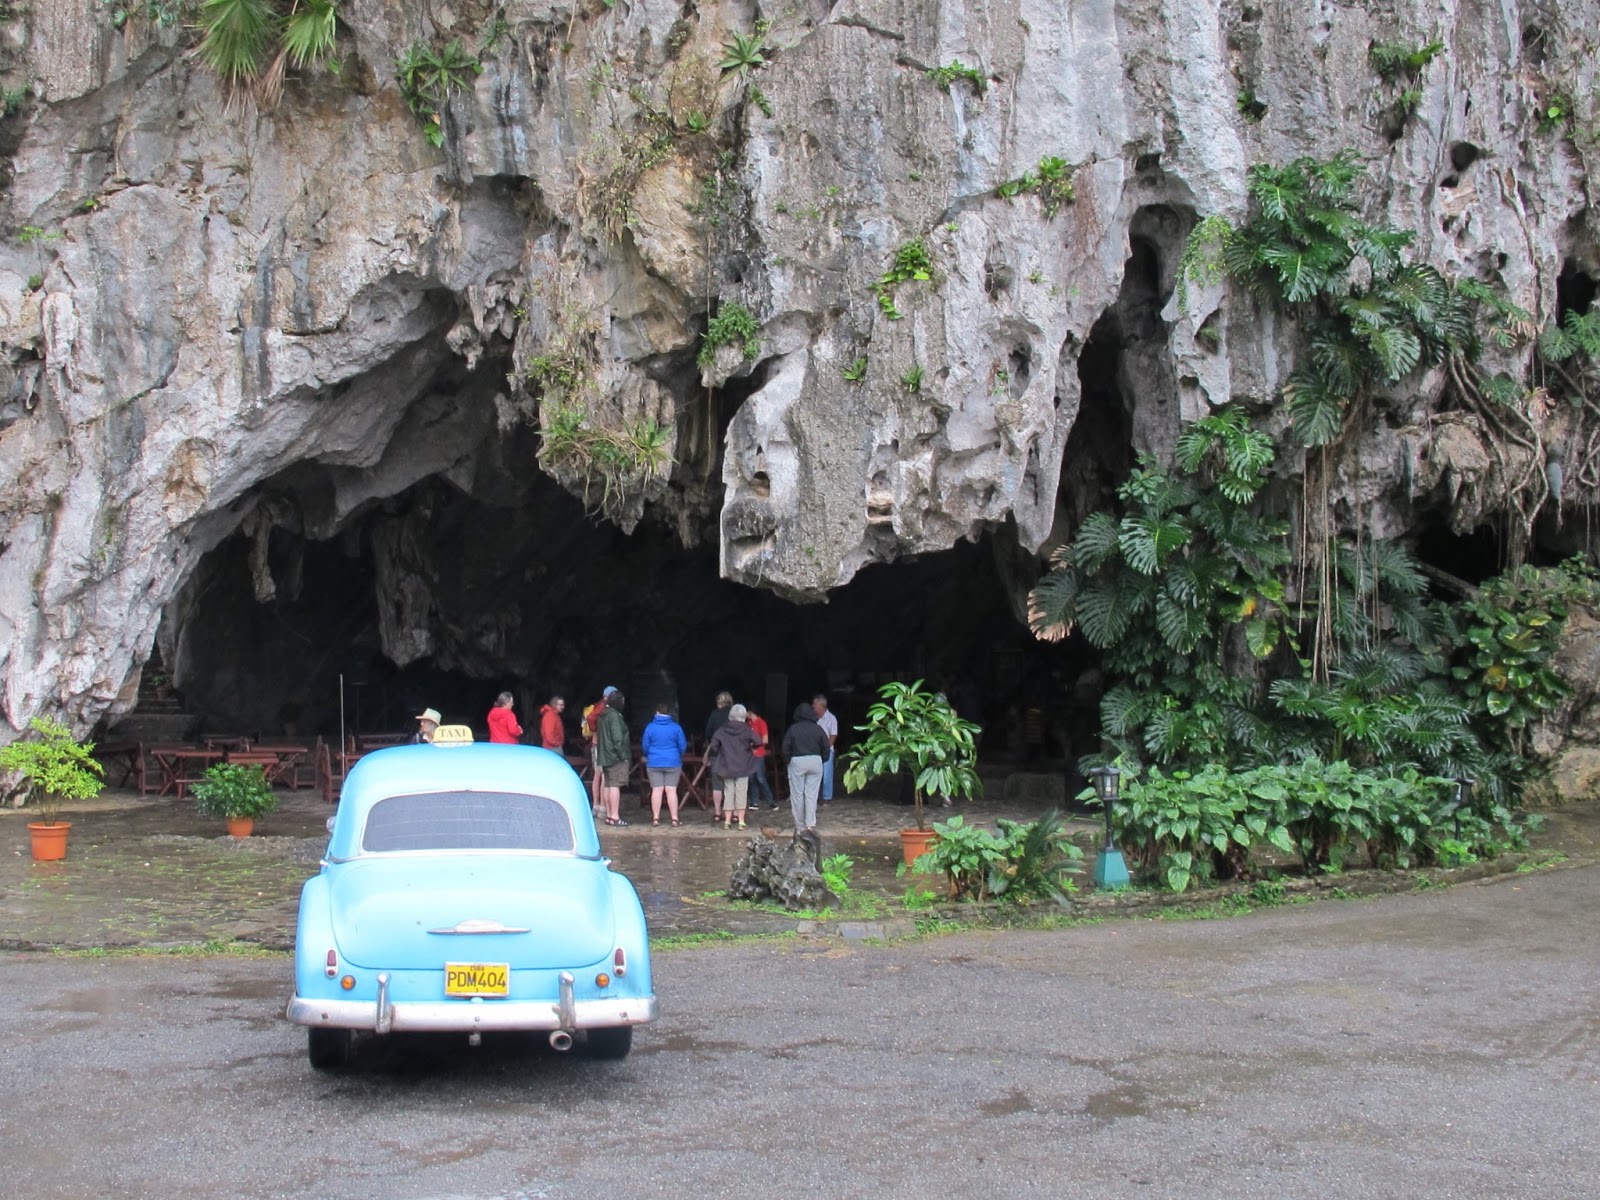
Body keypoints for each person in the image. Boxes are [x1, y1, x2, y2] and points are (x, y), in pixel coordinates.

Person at [707, 703, 762, 830]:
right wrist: (750, 747)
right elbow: (758, 741)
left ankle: (727, 821)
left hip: (726, 766)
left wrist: (722, 749)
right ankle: (741, 821)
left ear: (730, 716)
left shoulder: (722, 729)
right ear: (743, 716)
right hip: (743, 766)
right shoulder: (747, 729)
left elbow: (713, 745)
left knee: (728, 793)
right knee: (741, 793)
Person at [784, 702, 830, 832]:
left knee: (797, 795)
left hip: (797, 761)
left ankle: (800, 826)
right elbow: (826, 747)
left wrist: (789, 761)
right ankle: (810, 824)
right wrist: (821, 759)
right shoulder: (818, 729)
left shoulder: (793, 729)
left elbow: (785, 748)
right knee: (812, 795)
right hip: (815, 761)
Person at [640, 701, 688, 826]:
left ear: (657, 712)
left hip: (654, 762)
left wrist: (649, 755)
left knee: (657, 790)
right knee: (671, 790)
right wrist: (677, 755)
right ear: (669, 713)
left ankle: (656, 818)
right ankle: (674, 819)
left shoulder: (650, 727)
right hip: (673, 762)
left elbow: (645, 746)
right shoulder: (676, 727)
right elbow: (683, 746)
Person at [595, 690, 631, 827]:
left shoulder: (602, 715)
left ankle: (609, 815)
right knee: (615, 786)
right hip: (615, 757)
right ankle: (615, 816)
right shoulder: (615, 716)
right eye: (622, 701)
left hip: (604, 755)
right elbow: (618, 739)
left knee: (608, 785)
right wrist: (623, 756)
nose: (623, 703)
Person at [582, 686, 617, 815]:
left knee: (598, 774)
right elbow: (591, 718)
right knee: (604, 775)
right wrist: (596, 729)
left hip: (596, 744)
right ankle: (602, 806)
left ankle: (596, 806)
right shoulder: (604, 706)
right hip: (602, 745)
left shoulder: (599, 705)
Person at [703, 691, 733, 819]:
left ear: (719, 702)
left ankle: (717, 812)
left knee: (717, 784)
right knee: (731, 784)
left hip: (716, 752)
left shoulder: (714, 714)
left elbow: (708, 731)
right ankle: (732, 814)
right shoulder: (734, 714)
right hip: (732, 752)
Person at [746, 705, 776, 810]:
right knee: (752, 778)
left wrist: (754, 745)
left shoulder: (761, 723)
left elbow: (765, 740)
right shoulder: (748, 724)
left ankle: (771, 801)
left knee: (760, 778)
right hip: (750, 755)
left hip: (759, 754)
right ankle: (754, 802)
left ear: (750, 713)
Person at [812, 694, 839, 803]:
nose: (812, 706)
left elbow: (833, 735)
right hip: (814, 750)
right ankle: (815, 796)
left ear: (820, 705)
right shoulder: (813, 718)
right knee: (815, 774)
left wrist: (826, 749)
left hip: (826, 750)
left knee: (827, 774)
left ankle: (827, 797)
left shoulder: (831, 718)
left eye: (814, 704)